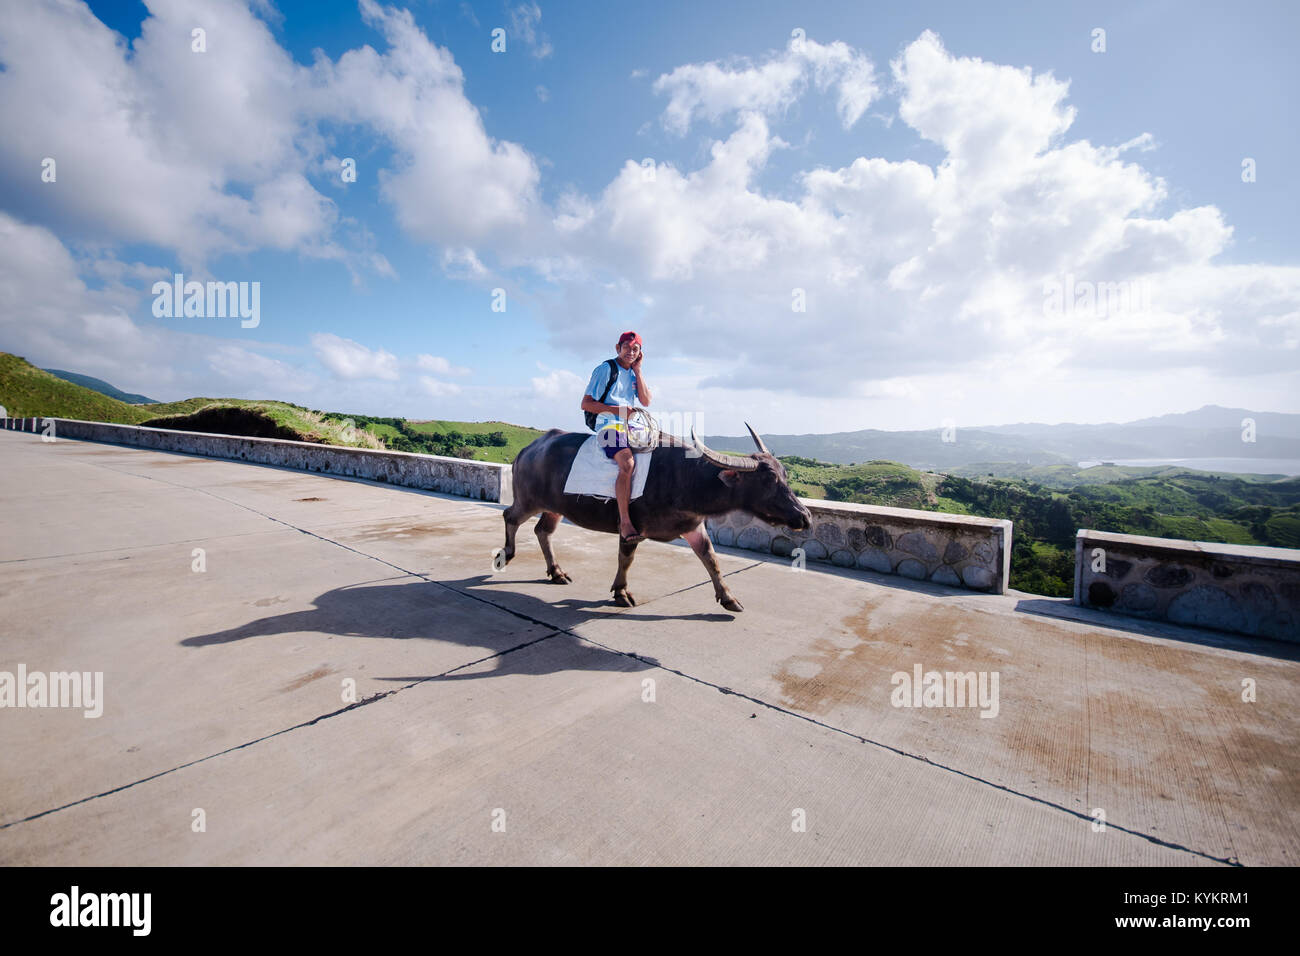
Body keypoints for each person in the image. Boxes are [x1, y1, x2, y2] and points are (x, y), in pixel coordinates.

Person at [579, 331, 653, 543]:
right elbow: (586, 404)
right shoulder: (605, 369)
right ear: (617, 348)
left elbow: (646, 401)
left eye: (635, 349)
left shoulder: (633, 373)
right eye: (627, 347)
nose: (630, 352)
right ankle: (625, 521)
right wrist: (618, 411)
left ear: (640, 353)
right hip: (607, 426)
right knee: (627, 464)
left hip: (630, 426)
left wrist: (638, 371)